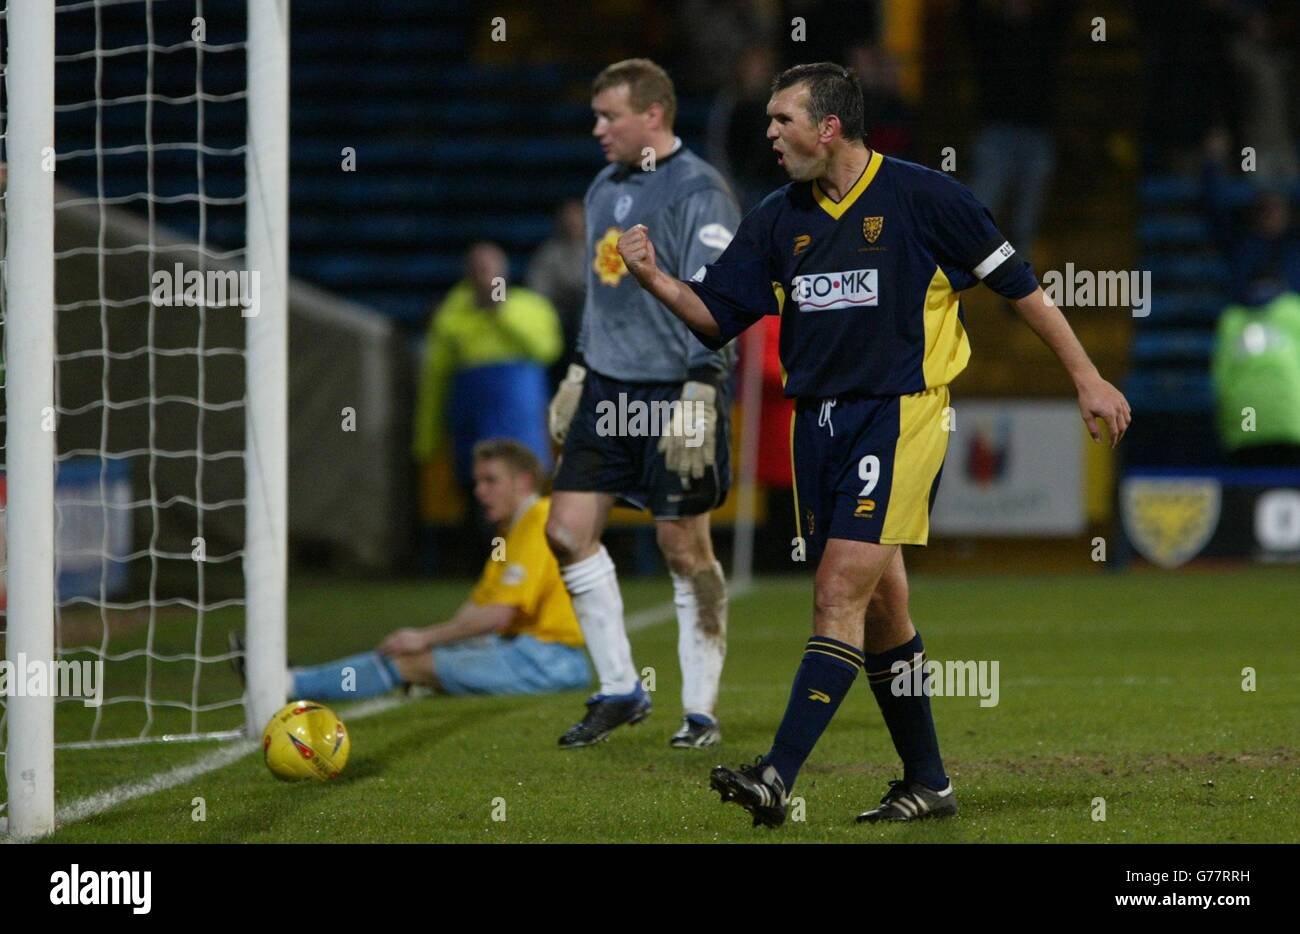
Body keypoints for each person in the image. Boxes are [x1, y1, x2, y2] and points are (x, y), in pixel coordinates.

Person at [617, 62, 1130, 826]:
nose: (769, 132)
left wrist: (1087, 377)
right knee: (884, 610)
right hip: (816, 425)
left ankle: (776, 776)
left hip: (900, 415)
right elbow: (716, 316)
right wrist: (655, 278)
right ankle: (929, 783)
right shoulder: (777, 217)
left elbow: (1019, 285)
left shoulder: (926, 197)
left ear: (829, 128)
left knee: (836, 593)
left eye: (783, 119)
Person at [545, 58, 741, 750]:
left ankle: (700, 711)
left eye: (610, 116)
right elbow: (601, 295)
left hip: (674, 389)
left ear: (653, 115)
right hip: (606, 386)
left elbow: (719, 297)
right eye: (596, 116)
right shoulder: (604, 186)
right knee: (565, 532)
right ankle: (621, 688)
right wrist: (578, 368)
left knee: (683, 547)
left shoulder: (700, 190)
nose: (598, 129)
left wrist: (702, 386)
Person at [282, 440, 591, 700]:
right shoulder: (509, 531)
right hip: (526, 651)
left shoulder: (539, 518)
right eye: (478, 482)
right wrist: (436, 642)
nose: (480, 491)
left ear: (523, 482)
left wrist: (425, 638)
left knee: (406, 664)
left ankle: (291, 685)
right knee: (411, 656)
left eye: (491, 480)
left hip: (548, 660)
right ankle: (298, 679)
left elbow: (498, 615)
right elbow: (479, 605)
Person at [411, 242, 563, 490]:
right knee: (479, 493)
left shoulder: (531, 307)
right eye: (477, 270)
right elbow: (435, 379)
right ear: (467, 276)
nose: (484, 278)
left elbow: (547, 350)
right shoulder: (451, 314)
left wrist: (500, 309)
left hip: (521, 427)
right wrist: (426, 441)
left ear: (503, 273)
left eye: (489, 270)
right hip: (472, 429)